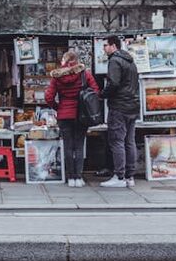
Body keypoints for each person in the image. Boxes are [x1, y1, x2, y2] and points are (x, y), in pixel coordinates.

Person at [44, 50, 100, 188]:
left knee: (68, 146)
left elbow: (48, 97)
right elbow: (95, 92)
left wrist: (58, 107)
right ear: (76, 61)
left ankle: (71, 178)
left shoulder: (57, 77)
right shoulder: (85, 74)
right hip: (81, 115)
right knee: (79, 146)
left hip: (64, 115)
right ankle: (79, 177)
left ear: (64, 61)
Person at [99, 34, 140, 188]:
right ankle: (130, 176)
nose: (103, 48)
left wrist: (102, 94)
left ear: (113, 46)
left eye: (105, 45)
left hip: (119, 107)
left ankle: (119, 176)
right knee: (129, 141)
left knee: (117, 141)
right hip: (133, 106)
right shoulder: (130, 61)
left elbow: (113, 83)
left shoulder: (115, 61)